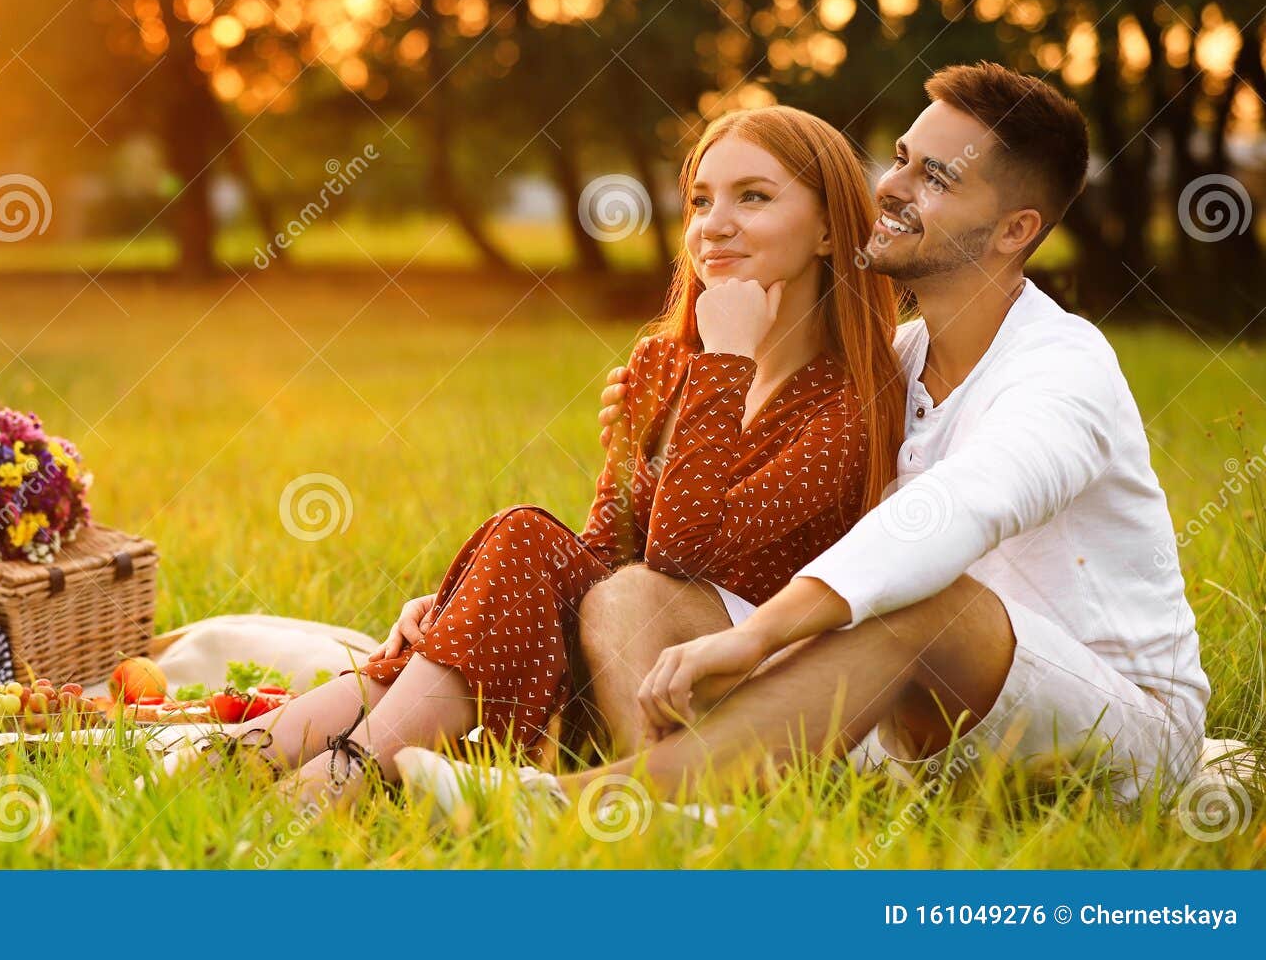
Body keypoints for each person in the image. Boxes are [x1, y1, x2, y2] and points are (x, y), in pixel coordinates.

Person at [396, 61, 1211, 816]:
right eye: (900, 157)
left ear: (1011, 230)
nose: (891, 186)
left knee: (923, 602)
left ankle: (595, 802)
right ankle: (684, 818)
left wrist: (759, 635)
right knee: (633, 595)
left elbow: (956, 510)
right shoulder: (887, 365)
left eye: (935, 177)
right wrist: (487, 586)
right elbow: (715, 535)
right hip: (907, 720)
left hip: (1115, 731)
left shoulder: (1063, 370)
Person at [145, 104, 904, 805]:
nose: (714, 225)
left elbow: (677, 555)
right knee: (517, 541)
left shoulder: (848, 403)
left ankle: (325, 780)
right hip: (601, 673)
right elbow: (606, 546)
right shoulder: (663, 364)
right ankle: (247, 762)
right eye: (702, 200)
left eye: (754, 197)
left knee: (525, 553)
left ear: (831, 230)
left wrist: (727, 365)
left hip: (715, 699)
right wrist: (462, 607)